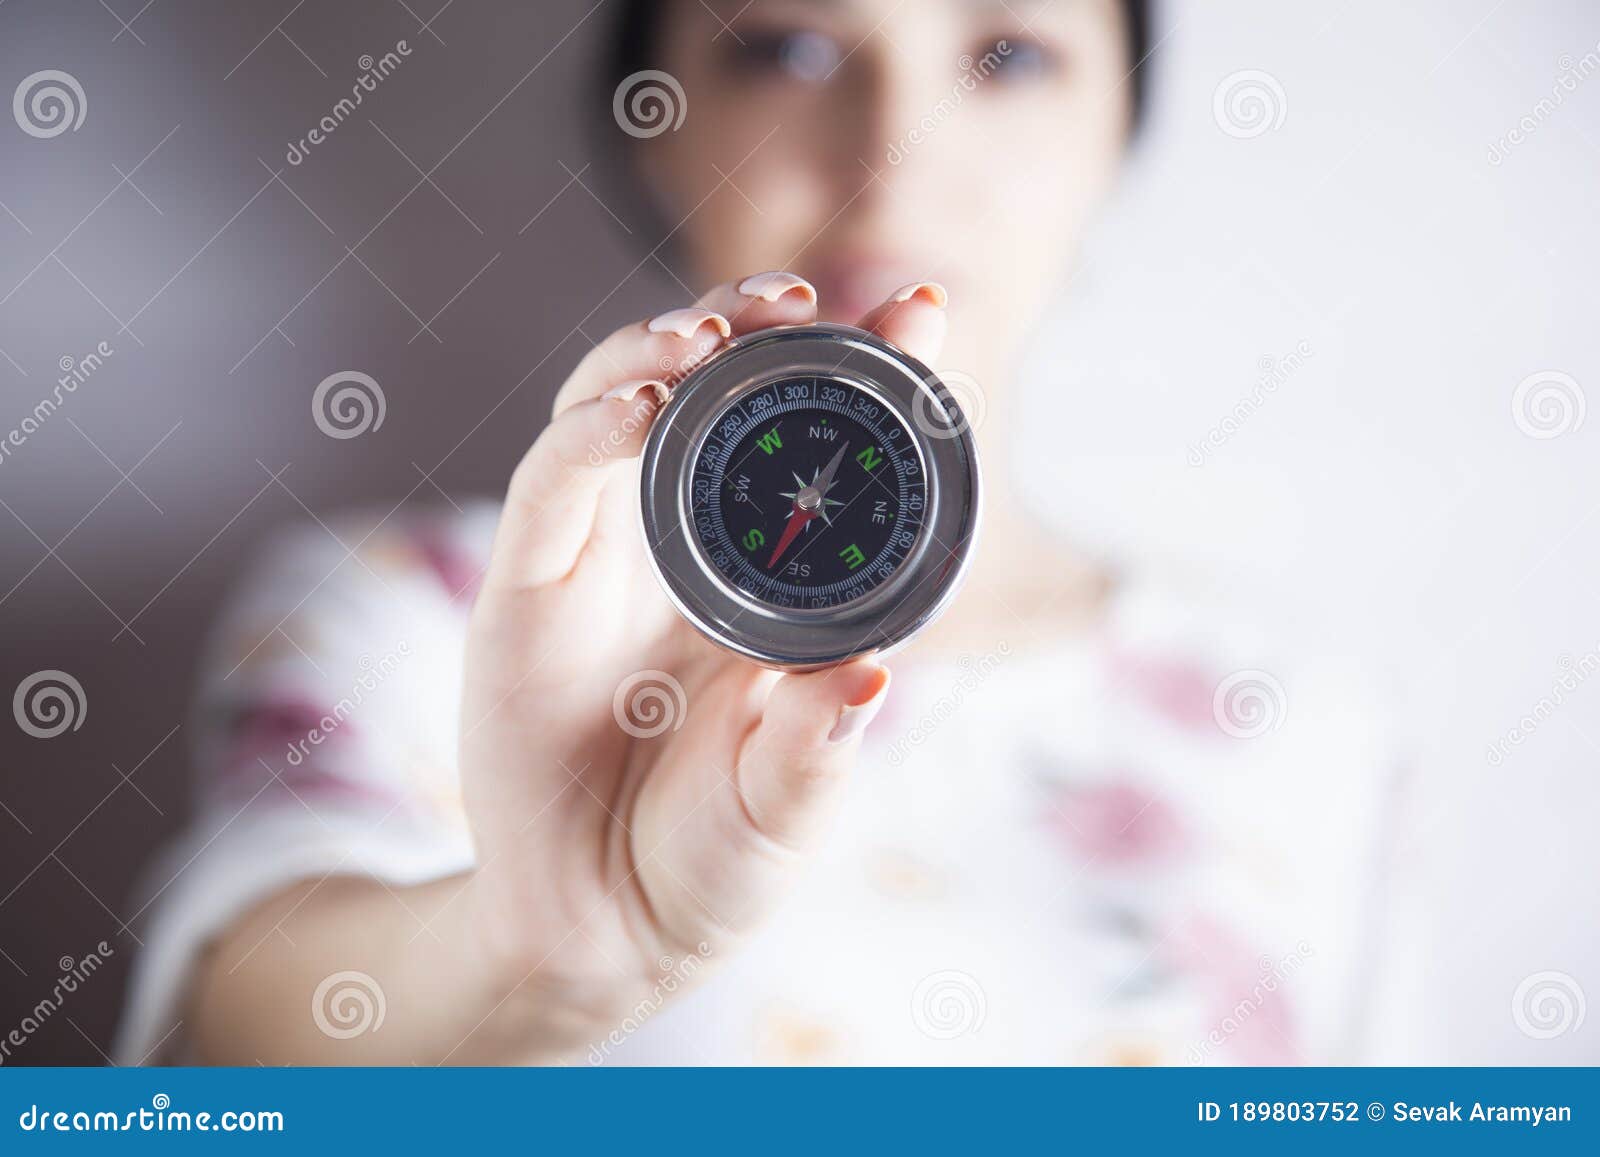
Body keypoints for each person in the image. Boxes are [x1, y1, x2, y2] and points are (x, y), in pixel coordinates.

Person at [116, 0, 1393, 1065]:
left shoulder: (1298, 723)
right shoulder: (405, 610)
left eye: (1008, 56)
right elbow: (224, 1056)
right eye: (784, 45)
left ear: (1119, 129)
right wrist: (529, 956)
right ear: (652, 127)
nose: (893, 154)